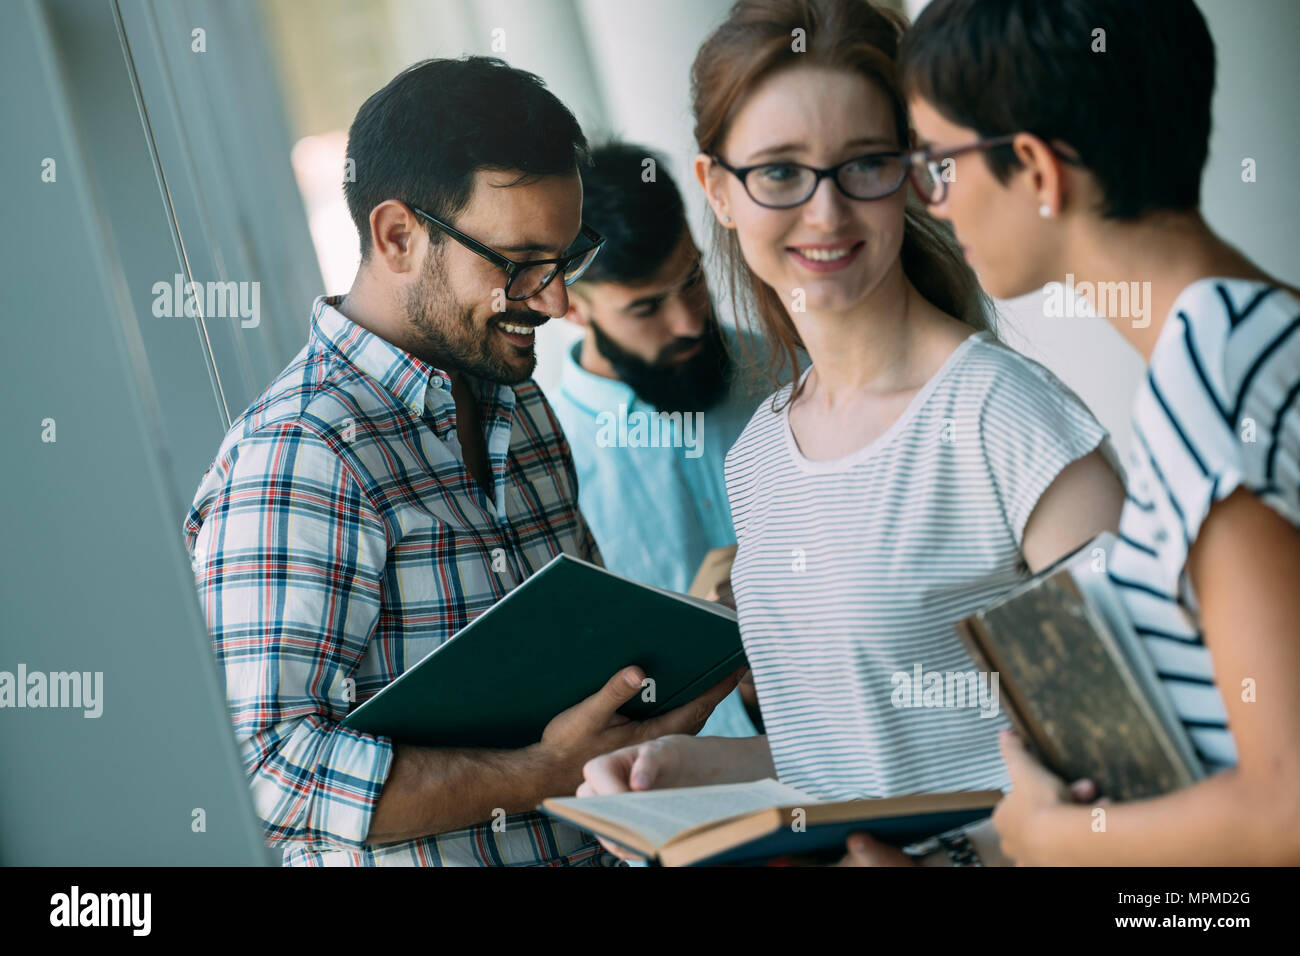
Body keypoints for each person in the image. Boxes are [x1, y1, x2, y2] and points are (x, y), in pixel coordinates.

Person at [579, 0, 1126, 867]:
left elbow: (1130, 779)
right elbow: (856, 766)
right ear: (717, 190)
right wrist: (688, 771)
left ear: (911, 173)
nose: (827, 213)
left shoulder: (1008, 424)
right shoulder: (761, 454)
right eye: (781, 173)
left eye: (864, 164)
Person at [184, 56, 739, 867]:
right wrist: (531, 775)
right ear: (398, 237)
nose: (553, 300)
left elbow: (581, 684)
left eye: (567, 256)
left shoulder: (524, 410)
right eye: (517, 263)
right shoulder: (303, 453)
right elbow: (260, 773)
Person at [899, 0, 1300, 865]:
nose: (933, 204)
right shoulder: (1252, 335)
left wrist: (1059, 839)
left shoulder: (1215, 375)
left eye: (938, 163)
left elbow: (1288, 809)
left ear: (1038, 169)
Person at [549, 141, 787, 737]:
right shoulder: (550, 462)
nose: (687, 321)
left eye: (693, 280)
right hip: (691, 795)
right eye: (647, 306)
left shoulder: (791, 375)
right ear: (572, 306)